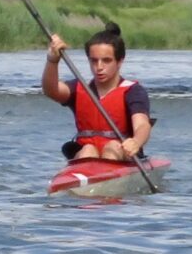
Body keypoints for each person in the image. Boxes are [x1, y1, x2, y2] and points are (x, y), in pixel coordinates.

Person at [42, 20, 151, 163]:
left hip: (121, 154)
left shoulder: (133, 91)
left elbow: (142, 124)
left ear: (119, 61)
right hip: (87, 154)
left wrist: (136, 142)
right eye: (94, 61)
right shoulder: (79, 88)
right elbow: (51, 90)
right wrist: (52, 60)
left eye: (106, 61)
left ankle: (107, 179)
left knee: (112, 147)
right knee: (88, 149)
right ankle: (87, 179)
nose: (99, 67)